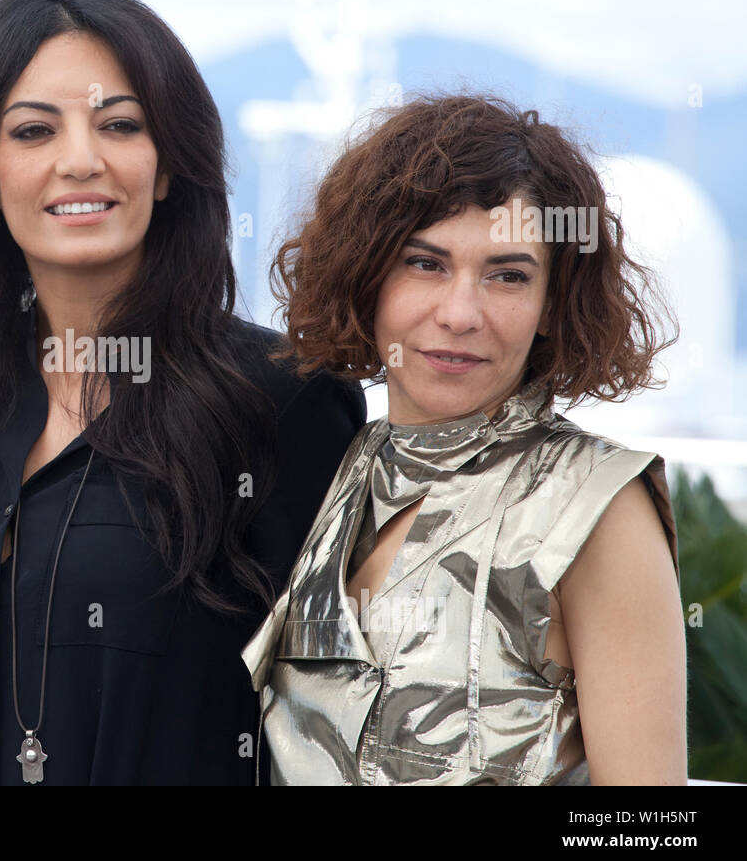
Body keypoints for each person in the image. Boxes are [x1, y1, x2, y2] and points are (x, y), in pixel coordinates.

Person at [0, 0, 365, 785]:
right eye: (33, 130)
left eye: (120, 124)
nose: (80, 159)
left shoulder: (281, 403)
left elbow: (346, 719)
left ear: (166, 170)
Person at [243, 94, 686, 785]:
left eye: (509, 275)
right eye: (426, 263)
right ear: (367, 278)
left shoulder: (597, 507)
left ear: (552, 305)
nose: (460, 313)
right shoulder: (339, 468)